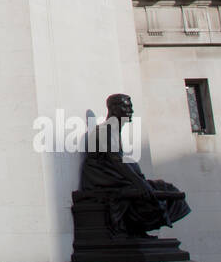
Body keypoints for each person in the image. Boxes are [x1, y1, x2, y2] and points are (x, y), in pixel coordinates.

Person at [81, 93, 190, 236]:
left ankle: (136, 228)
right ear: (113, 109)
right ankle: (135, 227)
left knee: (165, 188)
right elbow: (117, 161)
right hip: (102, 180)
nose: (130, 111)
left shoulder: (113, 130)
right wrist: (140, 183)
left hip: (113, 177)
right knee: (152, 192)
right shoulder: (106, 130)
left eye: (130, 107)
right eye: (126, 107)